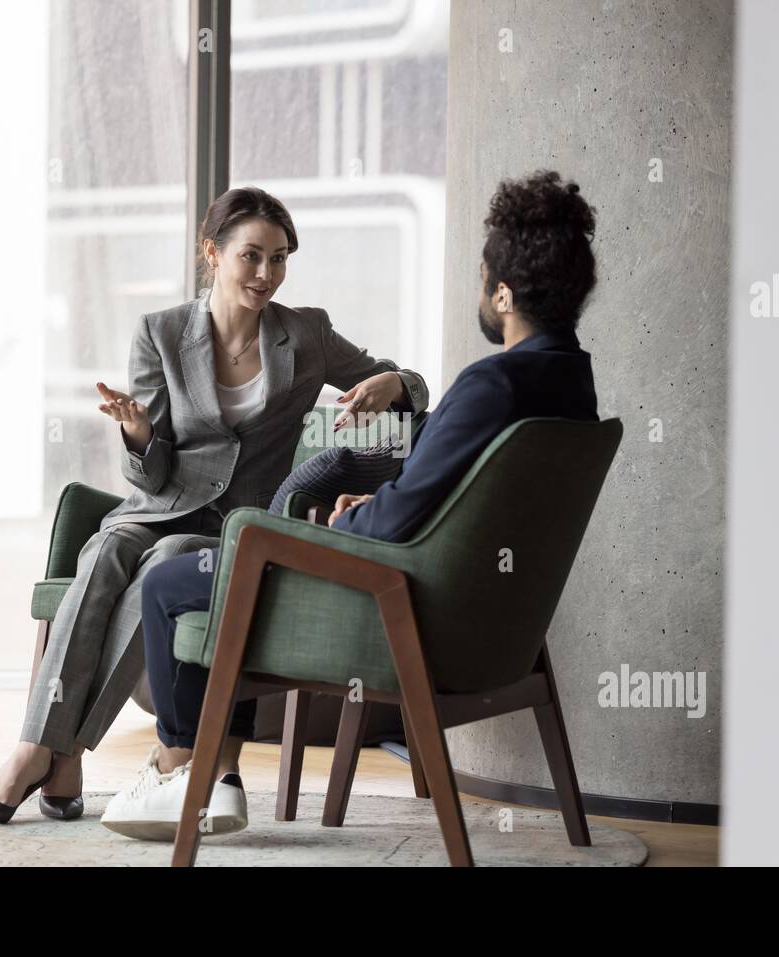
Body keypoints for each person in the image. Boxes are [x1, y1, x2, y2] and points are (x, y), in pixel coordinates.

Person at [100, 168, 602, 839]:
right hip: (491, 626)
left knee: (171, 582)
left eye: (483, 275)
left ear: (504, 292)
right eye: (253, 256)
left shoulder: (490, 386)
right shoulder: (571, 383)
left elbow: (394, 519)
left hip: (395, 606)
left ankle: (175, 770)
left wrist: (354, 517)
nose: (267, 273)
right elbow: (468, 500)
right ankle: (217, 778)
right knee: (215, 564)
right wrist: (383, 501)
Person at [0, 186, 430, 824]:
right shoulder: (159, 333)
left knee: (166, 561)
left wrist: (396, 382)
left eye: (279, 258)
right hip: (161, 504)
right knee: (104, 551)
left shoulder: (307, 334)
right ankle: (41, 748)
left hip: (239, 525)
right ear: (213, 253)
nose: (266, 273)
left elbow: (412, 391)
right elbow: (151, 476)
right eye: (251, 255)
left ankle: (57, 753)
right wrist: (138, 434)